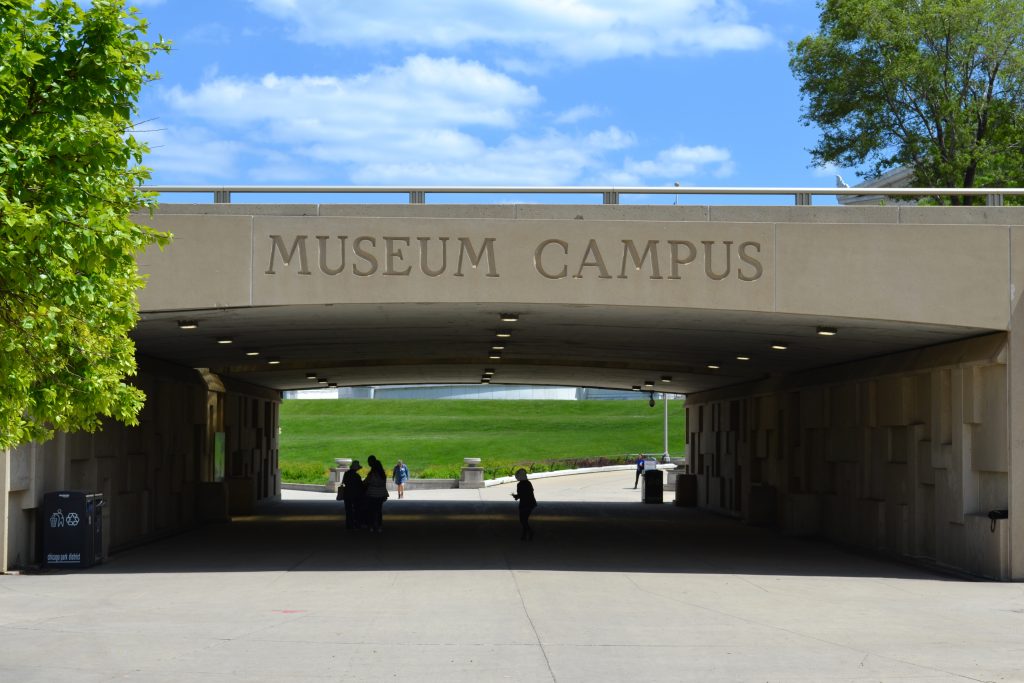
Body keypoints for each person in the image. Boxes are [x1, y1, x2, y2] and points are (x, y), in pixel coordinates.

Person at [363, 455, 389, 532]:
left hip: (372, 494)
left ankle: (371, 526)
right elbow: (384, 485)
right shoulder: (383, 474)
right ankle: (379, 526)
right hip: (381, 494)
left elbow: (365, 482)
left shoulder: (372, 474)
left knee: (371, 510)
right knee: (379, 510)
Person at [511, 468, 537, 541]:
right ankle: (524, 535)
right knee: (524, 520)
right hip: (531, 503)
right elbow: (528, 492)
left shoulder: (520, 484)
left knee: (523, 520)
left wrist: (515, 496)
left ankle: (530, 532)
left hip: (524, 504)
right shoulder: (528, 483)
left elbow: (521, 495)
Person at [341, 460, 364, 530]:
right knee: (356, 510)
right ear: (356, 468)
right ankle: (357, 524)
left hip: (347, 494)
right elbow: (360, 485)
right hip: (355, 495)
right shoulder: (357, 476)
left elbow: (344, 482)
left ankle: (349, 524)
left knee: (348, 510)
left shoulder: (346, 474)